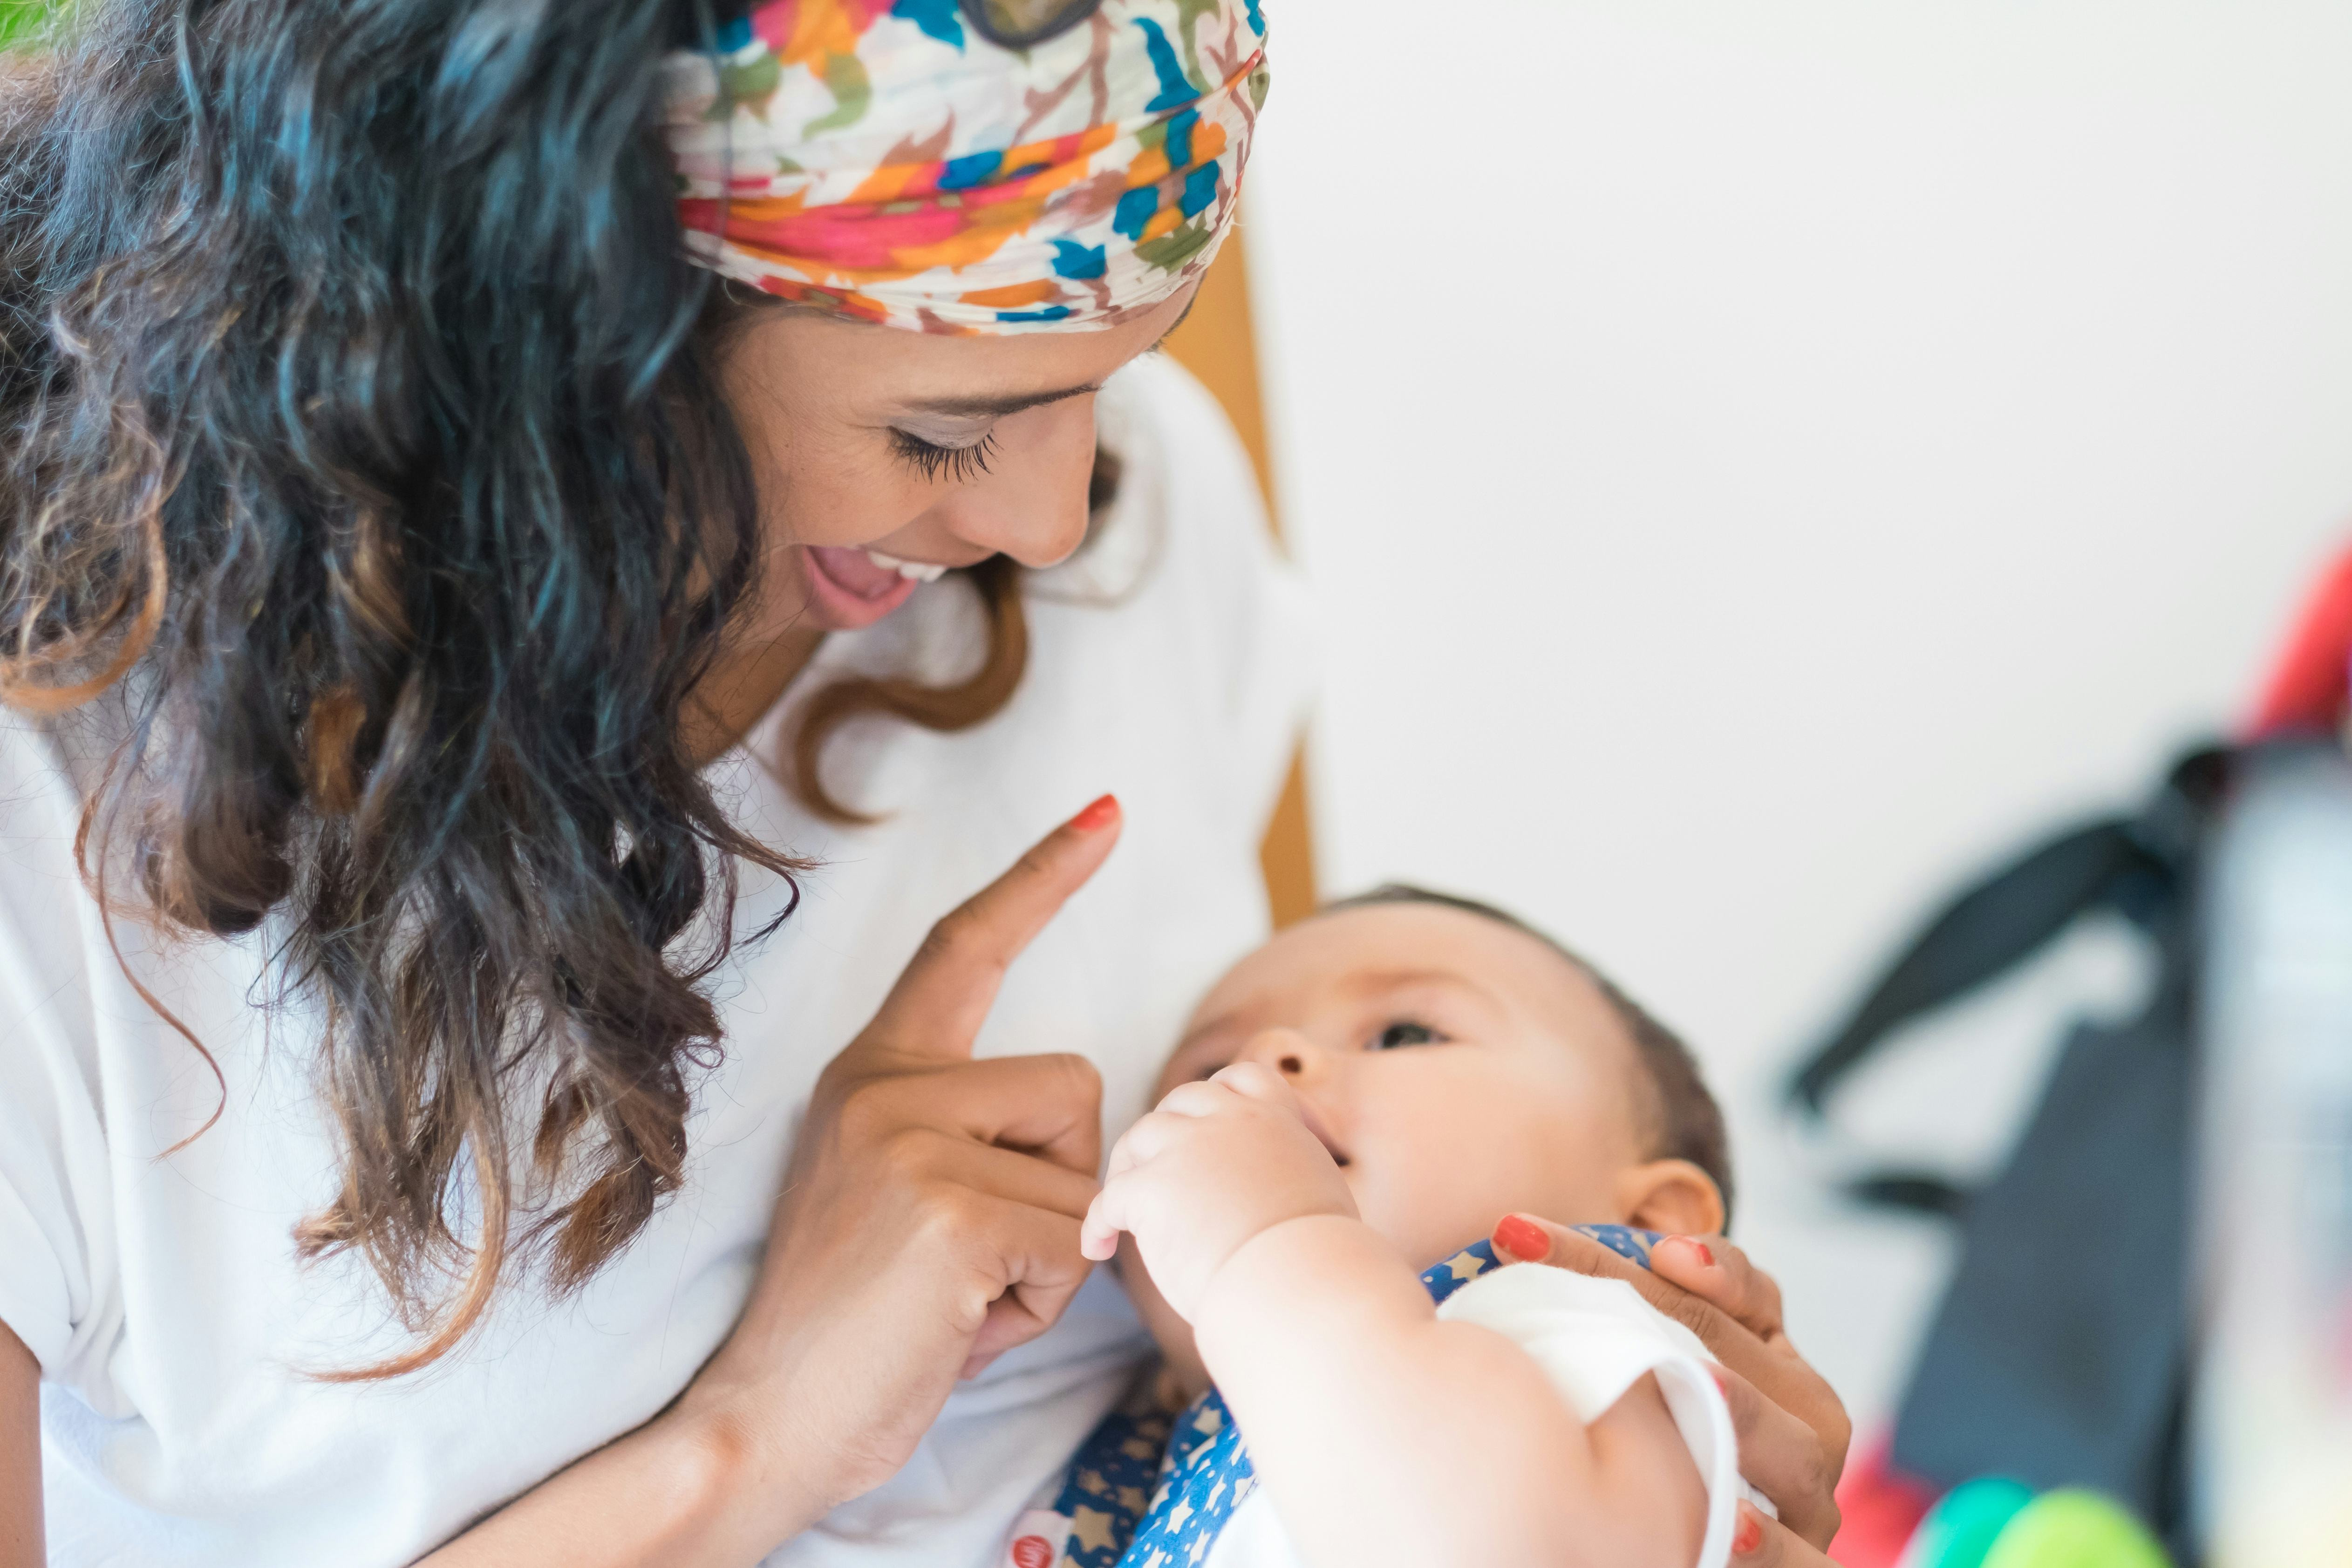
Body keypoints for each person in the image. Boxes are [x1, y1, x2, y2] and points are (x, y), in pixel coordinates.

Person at [0, 2, 1848, 1565]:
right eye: (937, 431)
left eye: (1100, 390)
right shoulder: (49, 834)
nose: (1050, 520)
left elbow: (1346, 1074)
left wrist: (1554, 1398)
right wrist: (747, 1439)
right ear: (550, 342)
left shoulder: (1139, 512)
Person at [1045, 885, 1768, 1568]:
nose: (1261, 1062)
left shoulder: (1587, 1333)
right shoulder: (1142, 1476)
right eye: (1206, 1069)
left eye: (1404, 1032)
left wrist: (1268, 1242)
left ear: (1650, 1222)